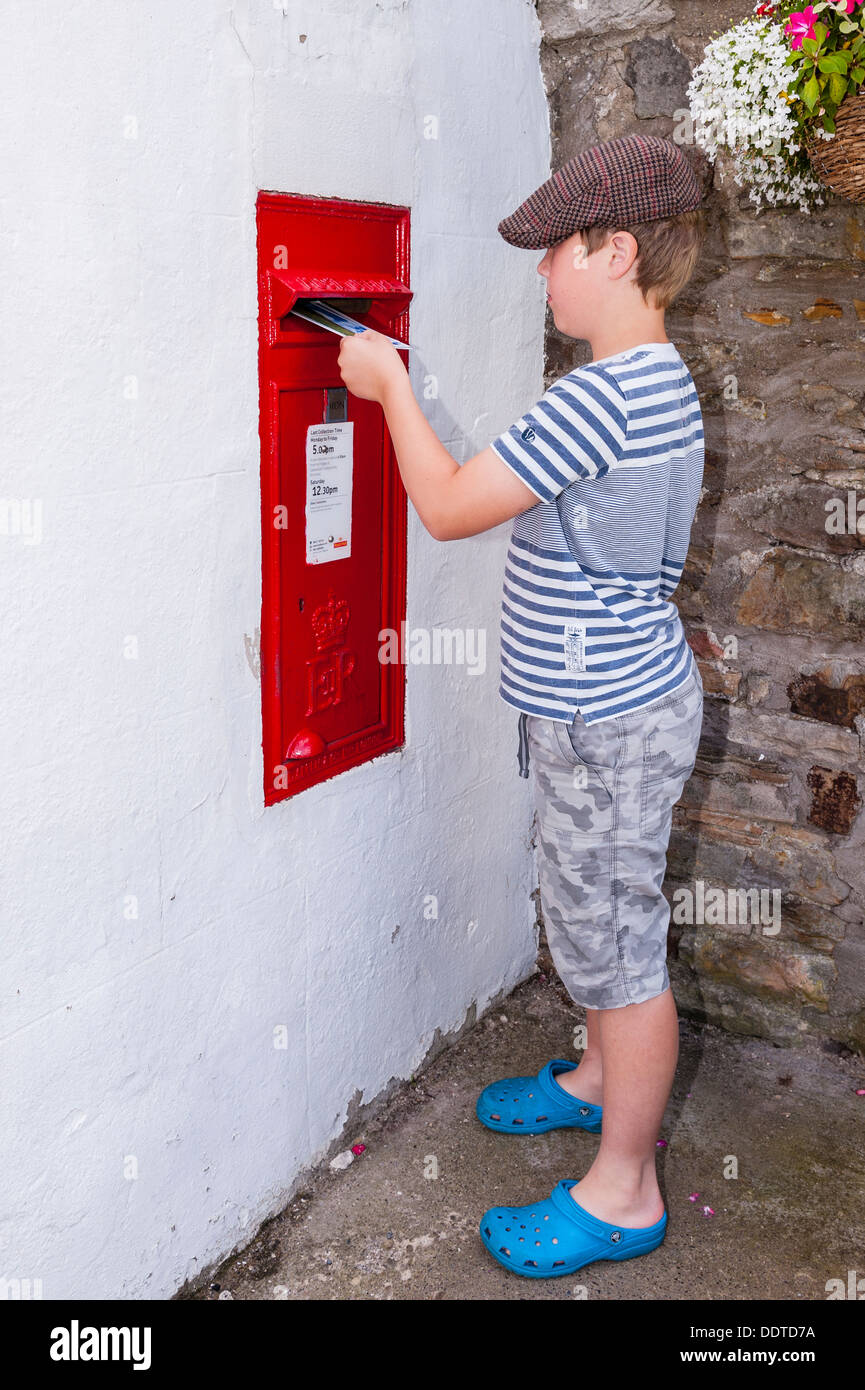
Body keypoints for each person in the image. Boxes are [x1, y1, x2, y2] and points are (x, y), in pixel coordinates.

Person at [337, 132, 707, 1279]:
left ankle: (624, 1188)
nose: (542, 269)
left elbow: (449, 506)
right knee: (595, 916)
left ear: (616, 251)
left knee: (620, 950)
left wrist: (389, 388)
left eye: (555, 249)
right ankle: (596, 1078)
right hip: (615, 706)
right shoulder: (661, 379)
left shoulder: (596, 399)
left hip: (605, 721)